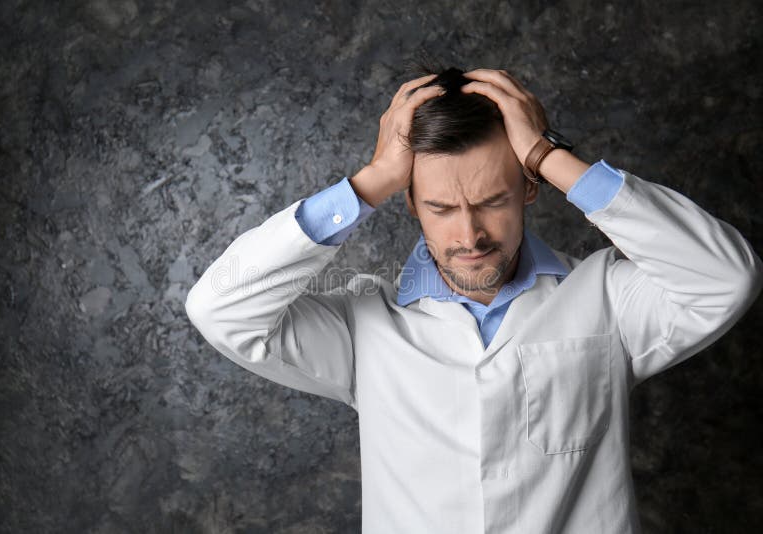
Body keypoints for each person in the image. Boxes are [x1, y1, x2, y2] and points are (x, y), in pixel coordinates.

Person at [185, 66, 763, 533]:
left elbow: (726, 278)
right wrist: (370, 182)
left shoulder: (608, 299)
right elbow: (220, 308)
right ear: (409, 201)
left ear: (531, 187)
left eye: (492, 201)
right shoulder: (365, 330)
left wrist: (549, 154)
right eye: (440, 207)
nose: (469, 235)